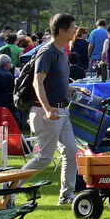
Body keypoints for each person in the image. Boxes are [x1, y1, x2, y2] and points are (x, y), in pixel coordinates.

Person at [21, 13, 82, 207]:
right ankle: (9, 186)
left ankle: (66, 195)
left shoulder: (62, 51)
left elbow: (54, 81)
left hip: (62, 112)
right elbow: (37, 82)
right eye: (72, 27)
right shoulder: (47, 51)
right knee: (45, 158)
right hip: (46, 112)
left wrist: (73, 88)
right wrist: (47, 109)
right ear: (62, 30)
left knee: (71, 151)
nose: (75, 30)